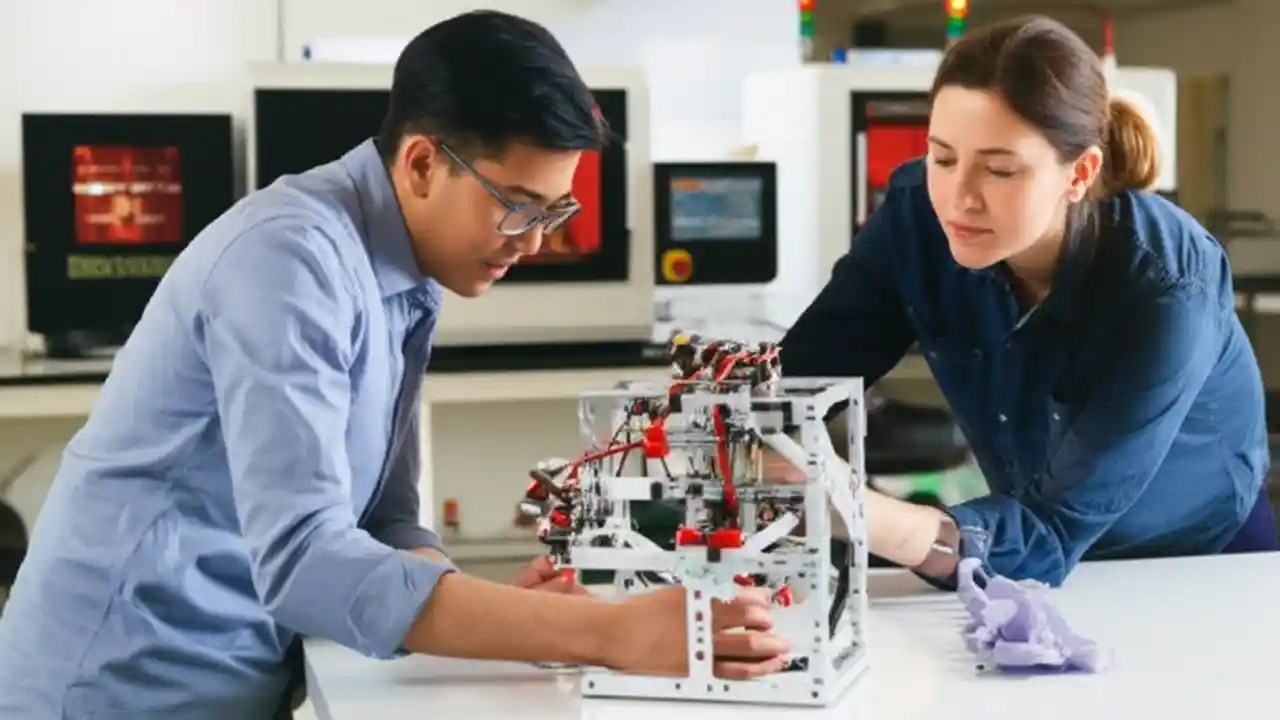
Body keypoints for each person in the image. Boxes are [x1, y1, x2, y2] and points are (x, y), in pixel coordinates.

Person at [0, 11, 788, 719]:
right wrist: (606, 633)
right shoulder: (289, 261)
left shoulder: (404, 270)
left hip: (224, 681)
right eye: (518, 205)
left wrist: (506, 616)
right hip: (116, 687)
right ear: (420, 165)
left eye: (556, 211)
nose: (534, 241)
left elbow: (384, 520)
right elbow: (308, 560)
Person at [777, 15, 1277, 589]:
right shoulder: (916, 218)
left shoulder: (1164, 282)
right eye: (942, 158)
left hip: (1197, 564)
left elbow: (1049, 533)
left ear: (1080, 173)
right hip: (1020, 557)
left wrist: (847, 503)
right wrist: (740, 432)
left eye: (1000, 170)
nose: (959, 198)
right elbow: (797, 383)